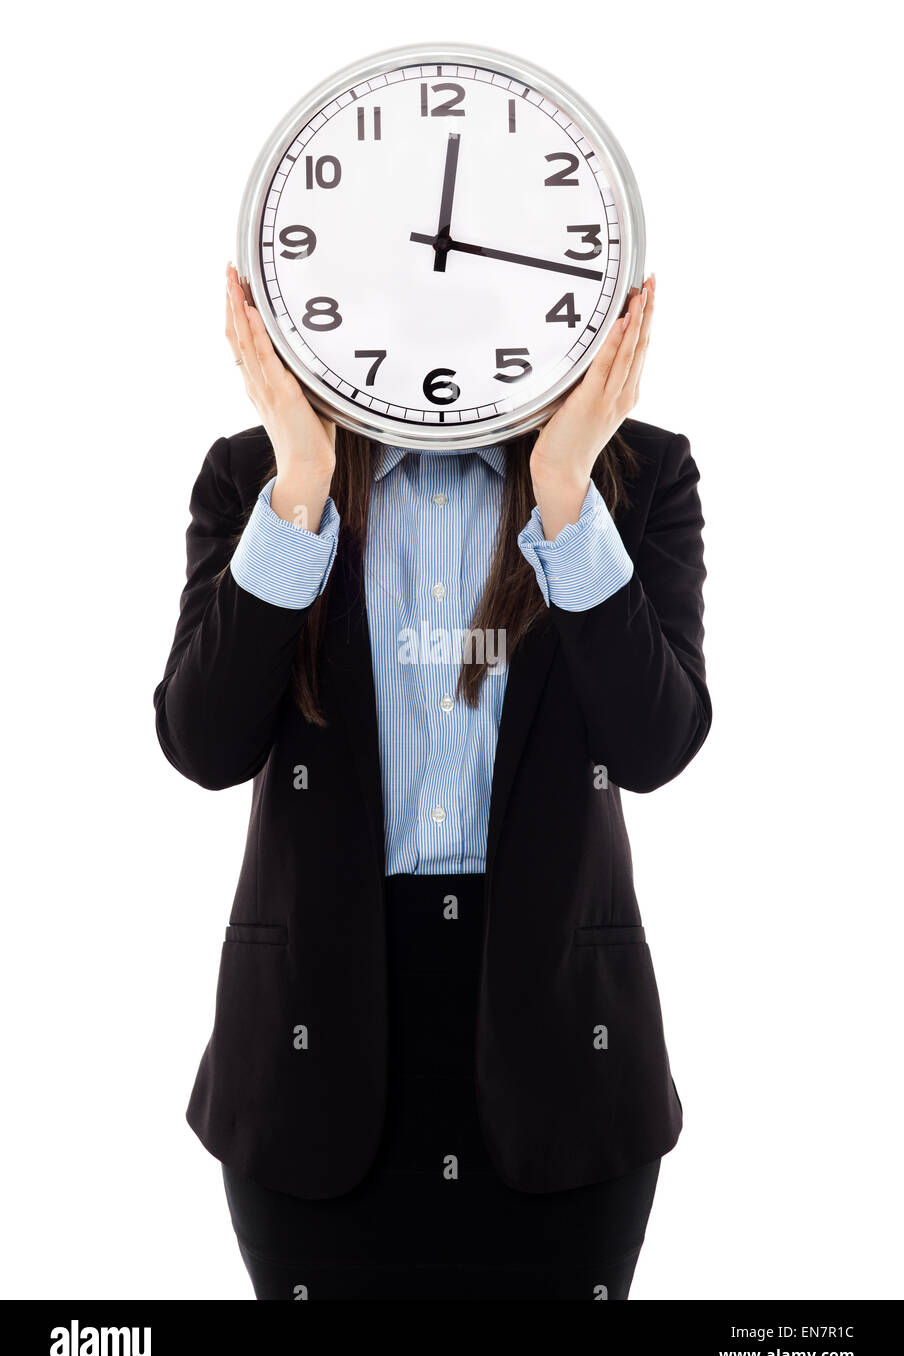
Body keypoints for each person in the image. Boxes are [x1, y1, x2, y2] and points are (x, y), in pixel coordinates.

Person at [152, 261, 711, 1300]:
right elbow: (203, 743)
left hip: (561, 1051)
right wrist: (302, 487)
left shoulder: (640, 477)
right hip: (311, 1055)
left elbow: (656, 744)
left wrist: (563, 496)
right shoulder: (256, 477)